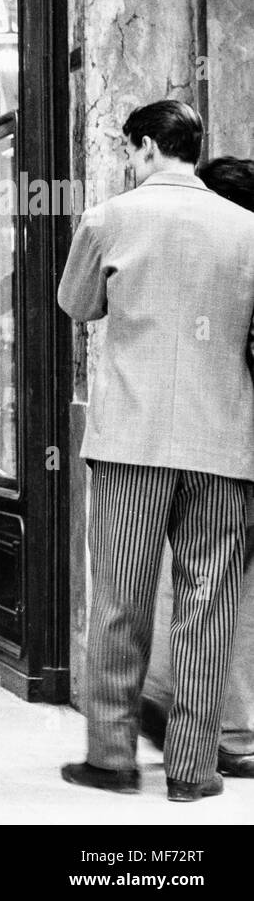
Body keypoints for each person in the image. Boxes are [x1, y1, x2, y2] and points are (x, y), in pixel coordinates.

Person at [58, 101, 254, 802]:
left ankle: (111, 757)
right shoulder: (248, 229)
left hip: (131, 444)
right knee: (210, 602)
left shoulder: (109, 218)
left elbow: (77, 304)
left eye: (130, 150)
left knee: (119, 597)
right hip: (224, 443)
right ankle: (194, 770)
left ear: (143, 147)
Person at [138, 155, 254, 780]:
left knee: (196, 581)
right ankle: (226, 732)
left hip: (190, 442)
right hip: (230, 447)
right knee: (224, 588)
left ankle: (171, 702)